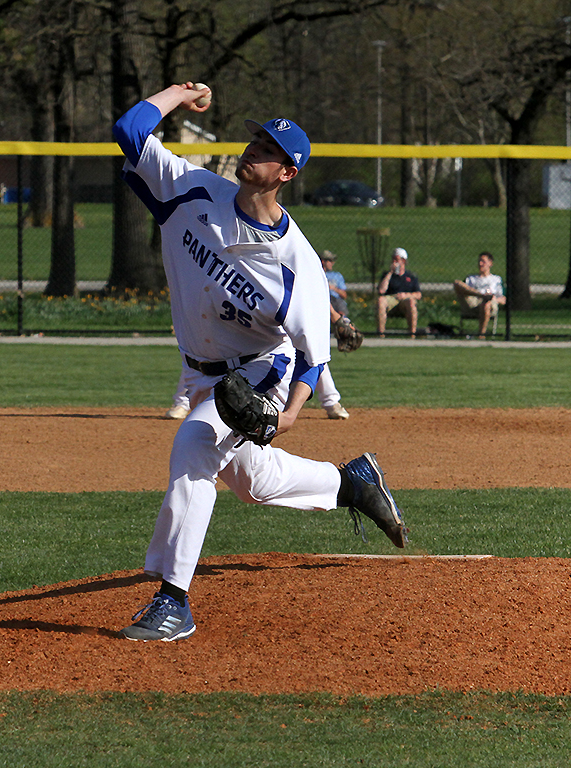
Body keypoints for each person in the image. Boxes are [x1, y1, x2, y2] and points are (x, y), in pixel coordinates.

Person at [111, 82, 409, 643]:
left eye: (270, 149)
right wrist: (179, 93)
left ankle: (174, 602)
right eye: (256, 141)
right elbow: (128, 133)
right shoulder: (194, 190)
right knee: (253, 482)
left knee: (194, 448)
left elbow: (313, 358)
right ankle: (351, 484)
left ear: (286, 174)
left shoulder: (297, 264)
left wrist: (291, 414)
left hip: (257, 371)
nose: (255, 151)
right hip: (200, 369)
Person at [452, 250, 506, 337]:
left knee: (486, 304)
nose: (480, 264)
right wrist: (480, 295)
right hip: (473, 302)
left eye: (483, 262)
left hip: (489, 304)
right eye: (479, 261)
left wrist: (493, 299)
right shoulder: (471, 279)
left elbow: (503, 299)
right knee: (457, 283)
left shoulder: (496, 280)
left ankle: (481, 334)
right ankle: (480, 294)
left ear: (490, 263)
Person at [376, 247, 421, 336]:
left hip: (405, 300)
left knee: (411, 302)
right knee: (381, 300)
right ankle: (380, 333)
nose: (394, 262)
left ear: (403, 261)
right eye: (393, 259)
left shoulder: (411, 276)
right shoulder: (387, 275)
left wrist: (406, 295)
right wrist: (390, 273)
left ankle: (412, 334)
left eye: (397, 259)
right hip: (391, 299)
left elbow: (418, 294)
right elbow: (381, 291)